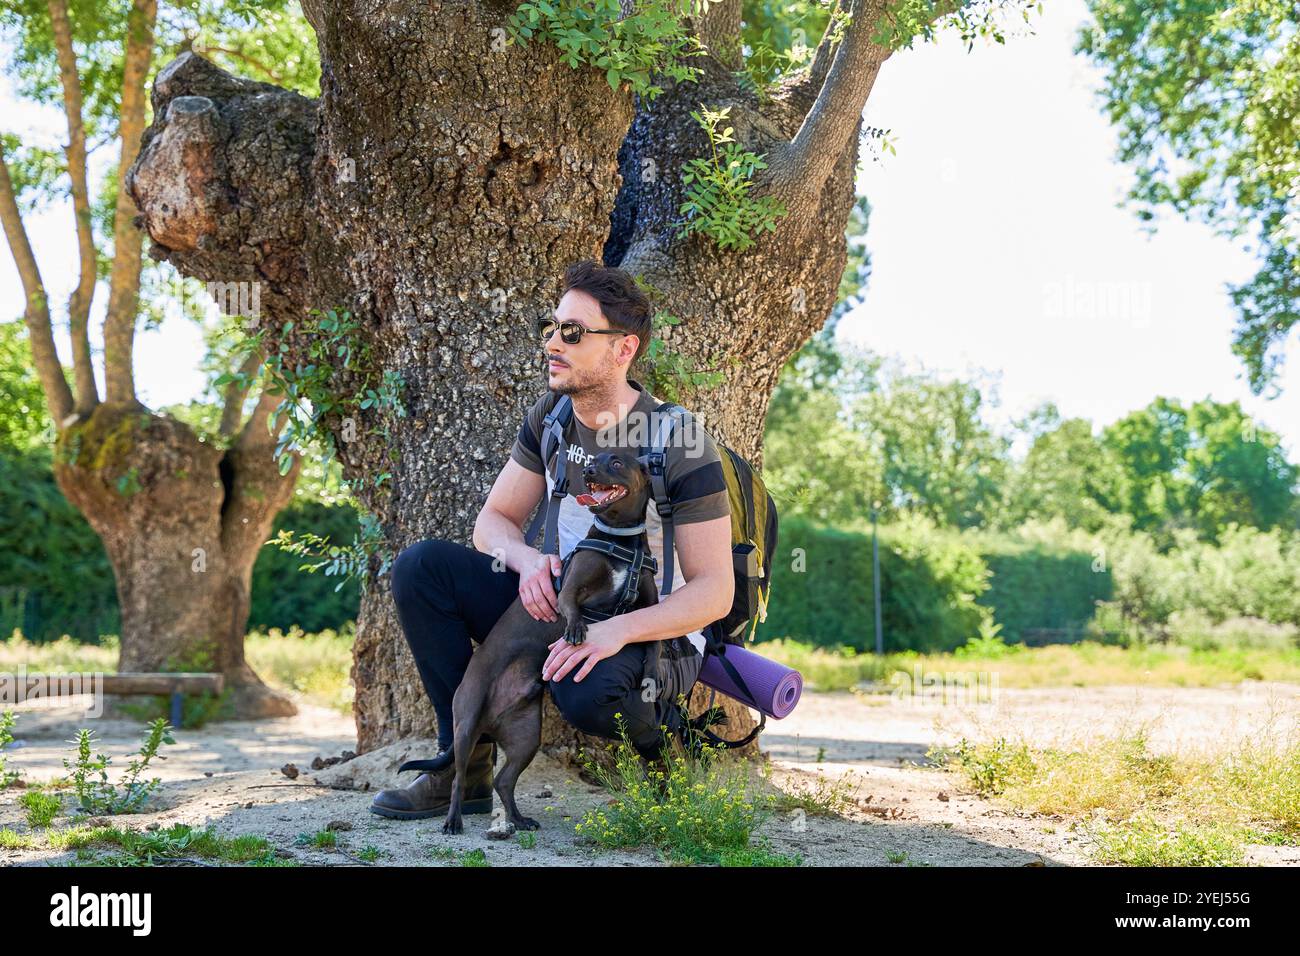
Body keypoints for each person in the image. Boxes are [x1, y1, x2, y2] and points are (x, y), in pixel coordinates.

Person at [369, 259, 734, 819]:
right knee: (423, 569)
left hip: (652, 625)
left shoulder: (678, 437)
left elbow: (713, 593)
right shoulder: (552, 417)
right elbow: (493, 519)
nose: (553, 344)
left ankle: (664, 749)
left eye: (574, 332)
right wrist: (526, 561)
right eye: (551, 328)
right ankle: (462, 769)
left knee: (586, 695)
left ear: (623, 349)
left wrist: (613, 631)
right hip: (564, 600)